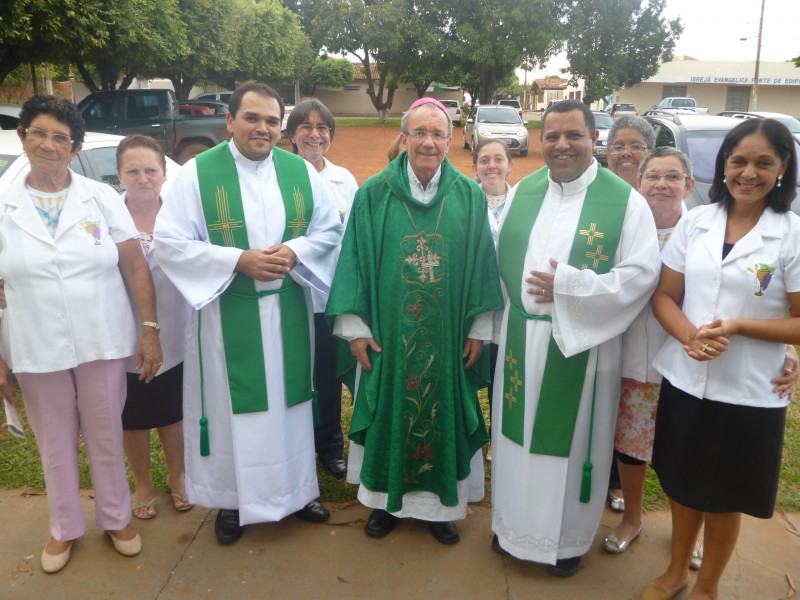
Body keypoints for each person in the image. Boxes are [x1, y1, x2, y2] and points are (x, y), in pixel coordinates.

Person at [153, 82, 343, 544]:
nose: (263, 128)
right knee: (231, 411)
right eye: (253, 118)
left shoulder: (300, 171)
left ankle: (297, 493)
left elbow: (330, 229)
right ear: (230, 121)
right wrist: (237, 260)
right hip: (226, 317)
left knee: (291, 404)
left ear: (282, 127)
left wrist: (295, 251)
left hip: (288, 311)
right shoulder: (197, 174)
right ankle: (233, 501)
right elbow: (170, 242)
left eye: (272, 121)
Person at [490, 99, 661, 576]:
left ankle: (563, 543)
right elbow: (500, 265)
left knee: (567, 451)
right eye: (552, 136)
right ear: (540, 141)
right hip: (522, 341)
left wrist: (570, 284)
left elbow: (641, 275)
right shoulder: (523, 191)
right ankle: (511, 529)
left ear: (594, 140)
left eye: (574, 135)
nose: (562, 145)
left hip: (583, 349)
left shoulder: (625, 203)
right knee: (515, 441)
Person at [326, 97, 503, 545]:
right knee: (389, 410)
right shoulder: (373, 194)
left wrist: (479, 329)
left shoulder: (467, 195)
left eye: (438, 134)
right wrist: (356, 329)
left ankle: (441, 508)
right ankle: (385, 503)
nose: (428, 142)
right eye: (419, 133)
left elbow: (484, 263)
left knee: (440, 411)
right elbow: (355, 262)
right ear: (403, 138)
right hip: (388, 335)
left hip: (445, 341)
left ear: (450, 140)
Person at [0, 94, 162, 573]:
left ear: (74, 149)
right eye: (39, 133)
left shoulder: (101, 198)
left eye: (60, 138)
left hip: (102, 340)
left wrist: (149, 329)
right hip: (35, 343)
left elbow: (135, 267)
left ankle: (116, 518)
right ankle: (64, 527)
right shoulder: (2, 204)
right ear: (22, 137)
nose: (48, 145)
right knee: (55, 441)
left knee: (106, 433)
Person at [644, 118, 799, 600]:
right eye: (738, 161)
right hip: (688, 381)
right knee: (683, 482)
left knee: (726, 495)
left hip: (750, 391)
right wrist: (692, 337)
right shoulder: (696, 221)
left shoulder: (791, 234)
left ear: (783, 169)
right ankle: (675, 573)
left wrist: (737, 326)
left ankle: (706, 586)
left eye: (762, 163)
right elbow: (666, 297)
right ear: (723, 166)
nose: (748, 173)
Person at [117, 135, 193, 519]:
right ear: (119, 175)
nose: (142, 178)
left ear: (164, 173)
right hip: (123, 334)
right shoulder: (107, 216)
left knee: (171, 410)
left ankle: (178, 477)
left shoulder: (180, 215)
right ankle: (143, 483)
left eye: (150, 170)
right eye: (133, 171)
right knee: (132, 414)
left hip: (176, 332)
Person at [286, 98, 358, 479]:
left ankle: (330, 445)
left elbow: (354, 239)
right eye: (306, 127)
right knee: (295, 376)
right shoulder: (279, 176)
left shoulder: (344, 180)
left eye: (323, 127)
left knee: (328, 376)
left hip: (330, 297)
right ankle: (294, 448)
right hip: (289, 297)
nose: (315, 134)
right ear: (292, 135)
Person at [603, 115, 655, 513]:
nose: (625, 152)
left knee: (631, 415)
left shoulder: (660, 199)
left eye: (635, 145)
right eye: (618, 144)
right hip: (598, 325)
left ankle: (619, 481)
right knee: (599, 405)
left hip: (647, 334)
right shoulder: (596, 199)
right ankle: (601, 475)